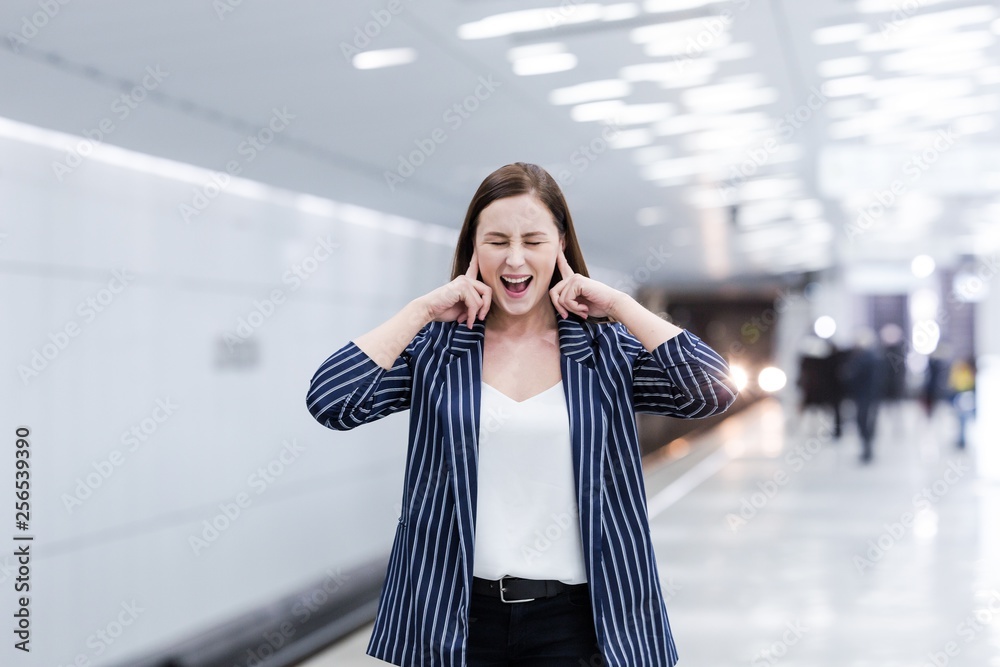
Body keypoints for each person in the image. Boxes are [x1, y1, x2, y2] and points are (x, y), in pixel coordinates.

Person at [305, 162, 739, 666]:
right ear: (473, 249)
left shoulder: (603, 352)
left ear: (560, 247)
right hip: (456, 620)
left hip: (578, 624)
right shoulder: (438, 352)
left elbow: (712, 390)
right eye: (496, 241)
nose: (514, 260)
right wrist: (419, 312)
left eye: (533, 240)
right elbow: (331, 401)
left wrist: (622, 306)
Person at [841, 328, 888, 464]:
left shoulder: (864, 358)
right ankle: (867, 447)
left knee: (864, 421)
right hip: (870, 395)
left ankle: (867, 448)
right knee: (868, 421)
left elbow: (852, 375)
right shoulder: (875, 357)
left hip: (865, 395)